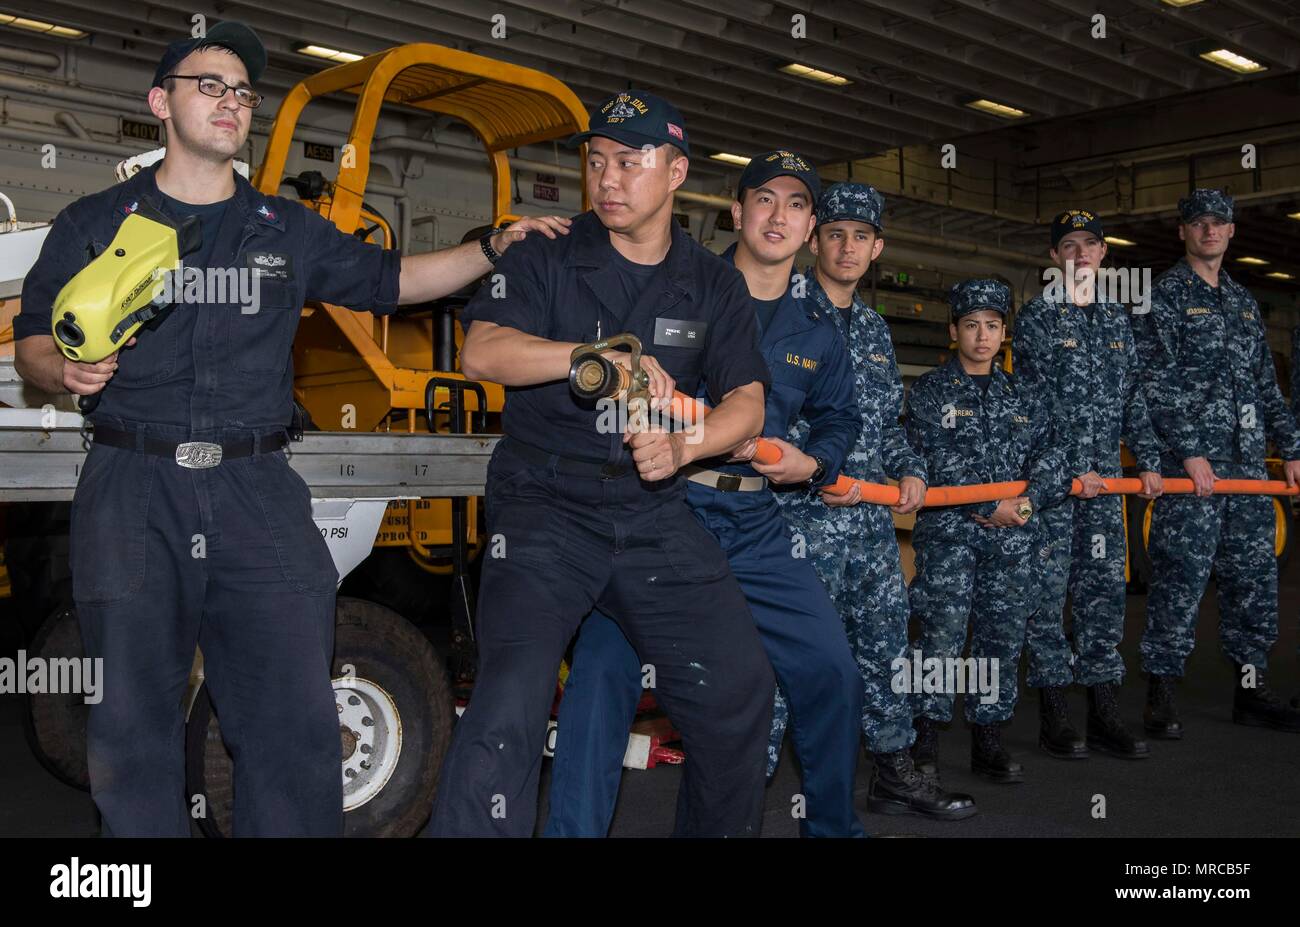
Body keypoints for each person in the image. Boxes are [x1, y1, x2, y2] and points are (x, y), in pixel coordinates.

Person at [13, 22, 570, 836]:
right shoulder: (93, 222)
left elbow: (393, 279)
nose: (233, 102)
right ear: (159, 102)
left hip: (257, 492)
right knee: (131, 729)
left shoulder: (284, 228)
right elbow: (33, 336)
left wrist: (489, 246)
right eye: (211, 84)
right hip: (134, 488)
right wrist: (61, 370)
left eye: (243, 92)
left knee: (292, 725)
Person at [424, 92, 778, 837]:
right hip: (544, 508)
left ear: (677, 171)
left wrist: (688, 445)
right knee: (508, 706)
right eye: (596, 160)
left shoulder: (715, 284)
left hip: (652, 512)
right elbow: (482, 350)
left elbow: (747, 400)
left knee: (739, 693)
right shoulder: (543, 252)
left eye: (629, 160)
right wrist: (592, 357)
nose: (606, 178)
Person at [545, 150, 868, 837]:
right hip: (662, 510)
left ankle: (832, 828)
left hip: (755, 520)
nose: (777, 216)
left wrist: (814, 462)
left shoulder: (819, 328)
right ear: (737, 210)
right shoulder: (675, 285)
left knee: (831, 671)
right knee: (602, 673)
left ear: (811, 227)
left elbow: (842, 415)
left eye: (796, 204)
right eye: (763, 200)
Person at [767, 182, 975, 820]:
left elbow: (888, 424)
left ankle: (893, 773)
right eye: (835, 233)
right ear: (813, 239)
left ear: (877, 247)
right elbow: (766, 414)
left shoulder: (876, 329)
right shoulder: (782, 311)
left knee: (887, 647)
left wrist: (910, 471)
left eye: (861, 236)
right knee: (784, 657)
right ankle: (743, 781)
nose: (848, 247)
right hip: (801, 517)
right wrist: (819, 473)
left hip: (869, 525)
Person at [1131, 189, 1300, 735]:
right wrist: (1188, 451)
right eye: (1198, 223)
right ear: (1183, 231)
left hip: (1248, 473)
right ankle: (1160, 697)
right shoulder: (1163, 296)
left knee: (1253, 584)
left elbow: (1265, 388)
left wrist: (1291, 449)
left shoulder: (1243, 302)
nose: (1209, 231)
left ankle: (1251, 692)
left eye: (1218, 223)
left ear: (1231, 233)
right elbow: (1154, 383)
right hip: (1193, 475)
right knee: (1179, 582)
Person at [1013, 209, 1164, 760]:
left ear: (1104, 255)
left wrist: (1147, 460)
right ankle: (1055, 718)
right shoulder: (1037, 319)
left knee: (1103, 601)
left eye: (1090, 244)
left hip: (1106, 491)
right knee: (1047, 600)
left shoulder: (1118, 322)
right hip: (1057, 488)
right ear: (1055, 257)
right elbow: (1029, 410)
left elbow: (1133, 401)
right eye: (1069, 245)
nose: (1080, 253)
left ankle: (1104, 714)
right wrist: (1065, 473)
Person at [905, 280, 1069, 784]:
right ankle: (925, 741)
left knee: (1000, 640)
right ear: (955, 331)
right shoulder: (930, 392)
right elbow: (932, 456)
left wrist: (1026, 503)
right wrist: (988, 503)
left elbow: (1055, 457)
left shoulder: (1025, 394)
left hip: (1013, 541)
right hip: (951, 538)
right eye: (972, 325)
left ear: (1004, 334)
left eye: (993, 326)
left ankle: (988, 741)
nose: (982, 336)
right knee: (940, 639)